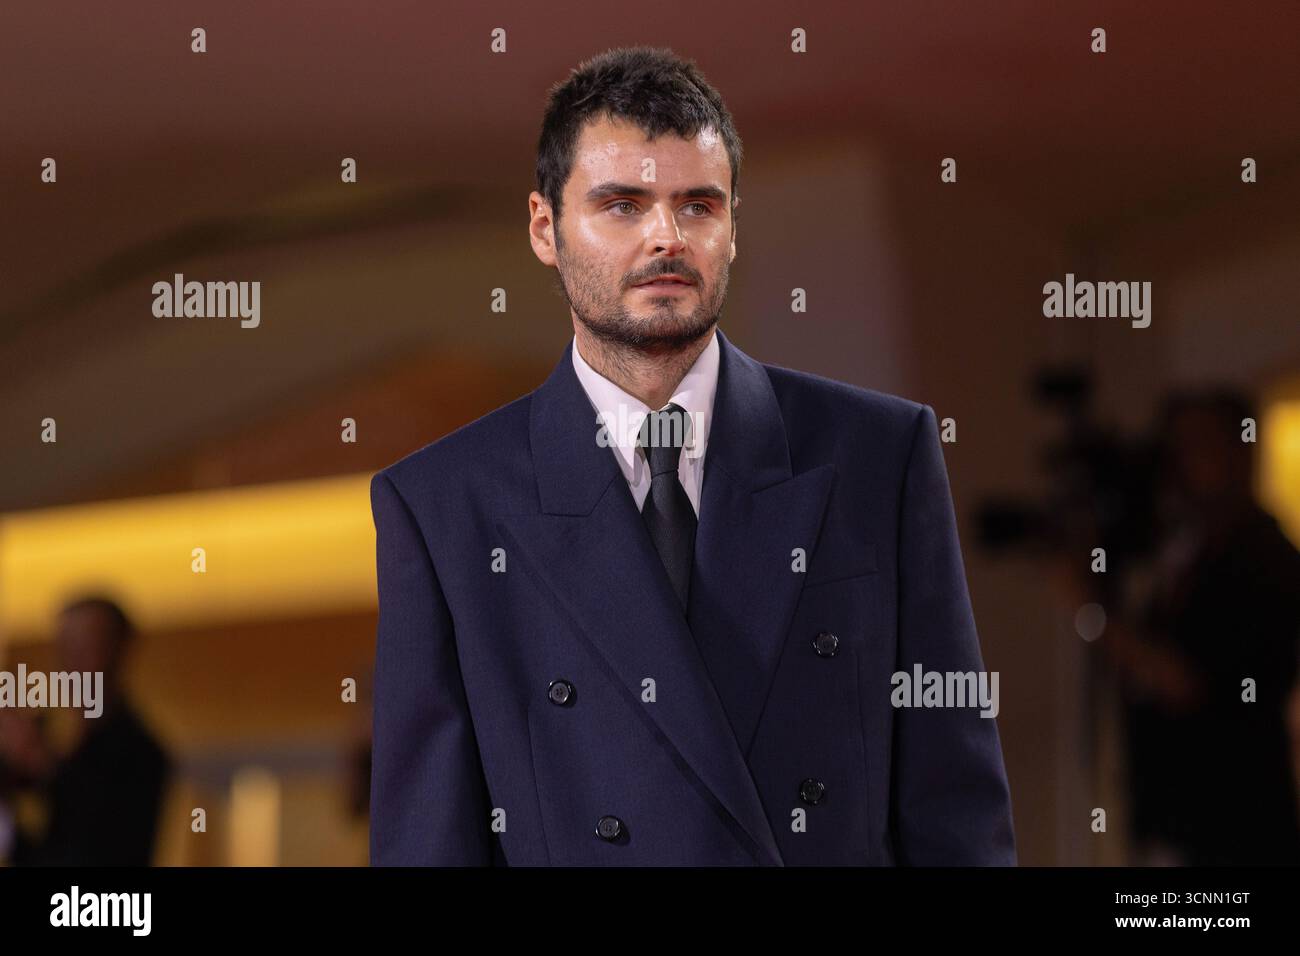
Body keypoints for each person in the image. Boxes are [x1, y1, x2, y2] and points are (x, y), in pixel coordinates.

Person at [369, 46, 1016, 866]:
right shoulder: (442, 505)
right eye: (623, 206)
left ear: (732, 225)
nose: (666, 238)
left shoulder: (879, 457)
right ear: (544, 228)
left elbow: (955, 812)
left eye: (697, 206)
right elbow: (428, 845)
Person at [4, 596, 171, 866]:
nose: (72, 660)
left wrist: (42, 766)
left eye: (86, 645)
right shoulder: (60, 738)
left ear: (118, 650)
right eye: (65, 646)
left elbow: (91, 851)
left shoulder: (137, 754)